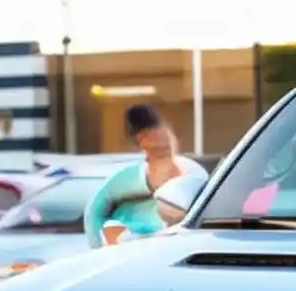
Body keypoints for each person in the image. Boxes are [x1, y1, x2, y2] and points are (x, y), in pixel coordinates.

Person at [84, 104, 209, 248]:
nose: (155, 141)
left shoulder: (192, 175)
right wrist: (97, 249)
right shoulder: (129, 178)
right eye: (148, 139)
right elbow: (94, 210)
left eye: (164, 145)